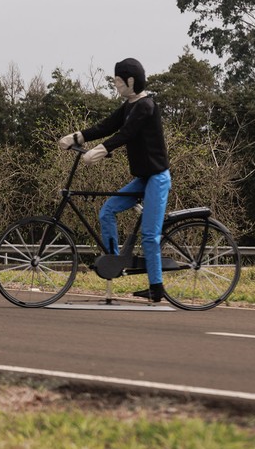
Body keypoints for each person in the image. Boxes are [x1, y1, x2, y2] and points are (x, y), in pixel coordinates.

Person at [58, 58, 171, 302]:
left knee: (149, 235)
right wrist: (77, 137)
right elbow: (106, 126)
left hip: (157, 178)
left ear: (130, 81)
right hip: (143, 178)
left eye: (118, 81)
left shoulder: (146, 106)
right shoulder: (129, 105)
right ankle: (113, 262)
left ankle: (156, 287)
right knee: (107, 210)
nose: (115, 85)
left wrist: (99, 151)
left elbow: (125, 134)